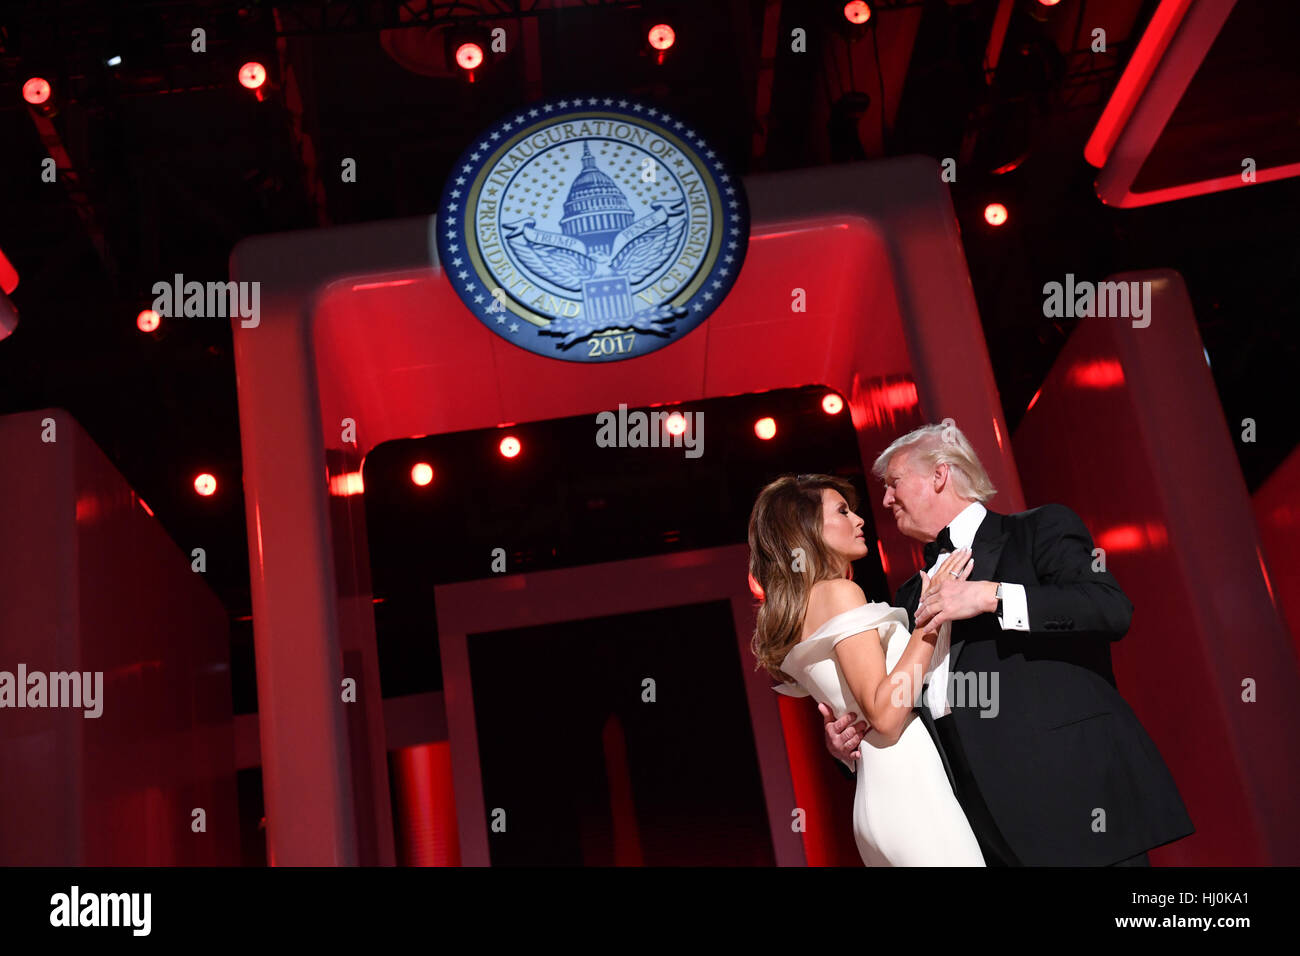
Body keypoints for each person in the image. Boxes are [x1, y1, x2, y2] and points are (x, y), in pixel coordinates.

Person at [821, 421, 1194, 866]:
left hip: (1069, 799)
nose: (885, 500)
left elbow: (1110, 608)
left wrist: (988, 595)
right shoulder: (907, 596)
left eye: (894, 483)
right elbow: (904, 707)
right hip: (972, 823)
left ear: (939, 475)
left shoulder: (1038, 530)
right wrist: (854, 747)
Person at [749, 473, 986, 865]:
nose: (859, 520)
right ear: (805, 528)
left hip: (879, 796)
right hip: (911, 793)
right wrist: (929, 618)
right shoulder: (840, 593)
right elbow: (885, 714)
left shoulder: (806, 606)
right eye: (842, 511)